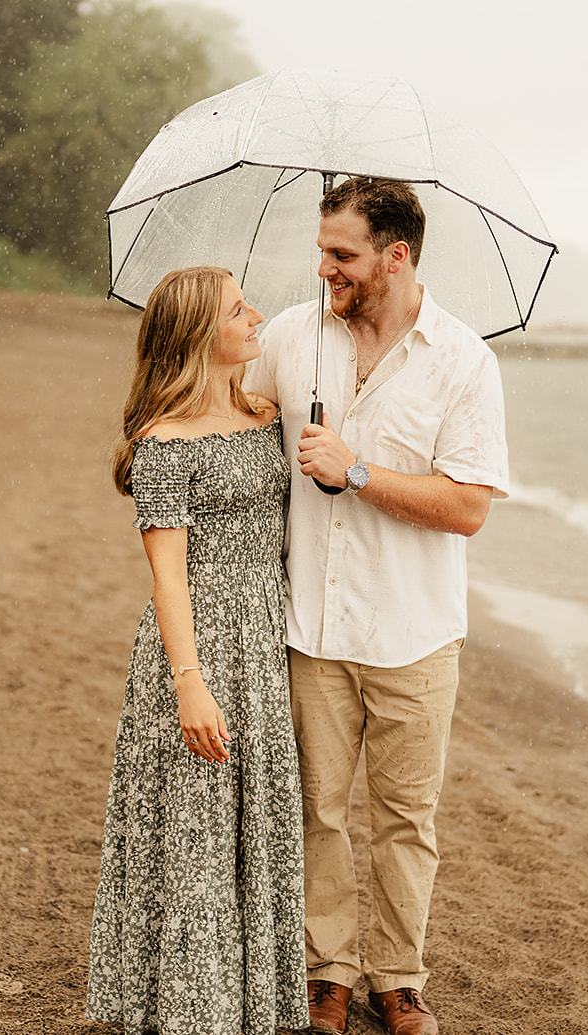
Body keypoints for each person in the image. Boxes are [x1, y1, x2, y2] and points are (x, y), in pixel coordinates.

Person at [245, 179, 510, 1035]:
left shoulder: (462, 360)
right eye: (323, 251)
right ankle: (327, 971)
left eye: (343, 255)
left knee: (405, 821)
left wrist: (354, 471)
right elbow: (235, 413)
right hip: (311, 627)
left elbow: (467, 505)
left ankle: (398, 980)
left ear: (396, 256)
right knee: (317, 811)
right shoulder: (292, 336)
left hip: (414, 633)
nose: (325, 268)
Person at [86, 266, 309, 1035]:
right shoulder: (161, 443)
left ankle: (250, 996)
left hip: (264, 641)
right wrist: (190, 683)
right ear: (197, 335)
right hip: (198, 648)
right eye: (238, 310)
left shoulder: (266, 413)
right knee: (195, 824)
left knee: (255, 816)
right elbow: (168, 578)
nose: (257, 316)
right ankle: (191, 1004)